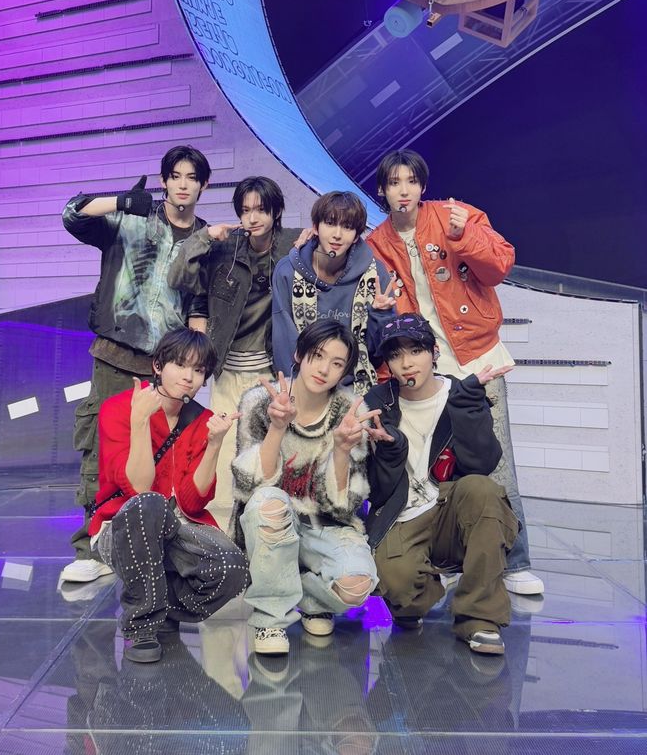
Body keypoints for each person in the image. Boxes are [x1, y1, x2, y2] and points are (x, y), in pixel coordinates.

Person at [366, 149, 542, 597]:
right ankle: (450, 559)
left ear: (422, 186)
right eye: (394, 182)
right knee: (438, 464)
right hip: (426, 367)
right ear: (382, 190)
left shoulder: (455, 215)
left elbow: (499, 266)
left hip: (477, 358)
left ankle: (515, 560)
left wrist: (465, 237)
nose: (403, 190)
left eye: (411, 181)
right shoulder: (376, 243)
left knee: (495, 460)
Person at [60, 145, 211, 585]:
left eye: (192, 177)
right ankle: (91, 547)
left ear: (203, 185)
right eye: (175, 176)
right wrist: (123, 201)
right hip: (115, 357)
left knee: (160, 460)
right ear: (164, 180)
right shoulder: (132, 217)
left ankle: (148, 547)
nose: (182, 185)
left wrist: (196, 364)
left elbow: (199, 303)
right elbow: (73, 214)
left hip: (166, 367)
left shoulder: (204, 239)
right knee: (101, 453)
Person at [89, 327, 249, 663]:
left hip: (176, 529)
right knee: (150, 504)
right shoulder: (118, 408)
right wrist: (140, 423)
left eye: (199, 370)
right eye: (180, 364)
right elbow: (139, 490)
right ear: (158, 366)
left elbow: (192, 502)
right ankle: (141, 626)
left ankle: (159, 604)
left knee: (234, 567)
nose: (189, 377)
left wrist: (214, 444)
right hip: (122, 526)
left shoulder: (203, 420)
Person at [364, 313, 519, 655]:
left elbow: (482, 463)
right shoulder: (377, 403)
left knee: (483, 491)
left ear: (434, 352)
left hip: (452, 506)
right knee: (403, 601)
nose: (406, 363)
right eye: (395, 355)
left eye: (415, 350)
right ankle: (438, 580)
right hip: (402, 513)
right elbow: (378, 491)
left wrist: (466, 404)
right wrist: (388, 453)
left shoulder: (460, 392)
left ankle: (479, 618)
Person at [231, 320, 380, 655]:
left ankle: (312, 601)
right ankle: (271, 617)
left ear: (344, 372)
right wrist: (277, 427)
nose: (324, 369)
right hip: (271, 525)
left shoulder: (349, 412)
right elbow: (248, 487)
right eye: (317, 356)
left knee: (357, 587)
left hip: (325, 526)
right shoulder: (260, 400)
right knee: (269, 502)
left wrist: (341, 450)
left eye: (337, 363)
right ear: (299, 354)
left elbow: (343, 507)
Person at [167, 176, 305, 516]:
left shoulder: (292, 246)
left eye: (260, 210)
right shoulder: (225, 249)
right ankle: (221, 525)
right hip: (228, 370)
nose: (252, 218)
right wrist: (203, 237)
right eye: (245, 211)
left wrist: (310, 241)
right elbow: (179, 278)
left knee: (269, 448)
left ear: (276, 211)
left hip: (270, 371)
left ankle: (267, 520)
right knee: (225, 447)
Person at [271, 191, 397, 396]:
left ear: (356, 235)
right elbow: (283, 340)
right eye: (330, 223)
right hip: (302, 386)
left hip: (356, 387)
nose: (337, 234)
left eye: (347, 227)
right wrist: (297, 391)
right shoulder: (288, 271)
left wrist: (382, 315)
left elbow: (378, 352)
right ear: (315, 226)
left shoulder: (374, 274)